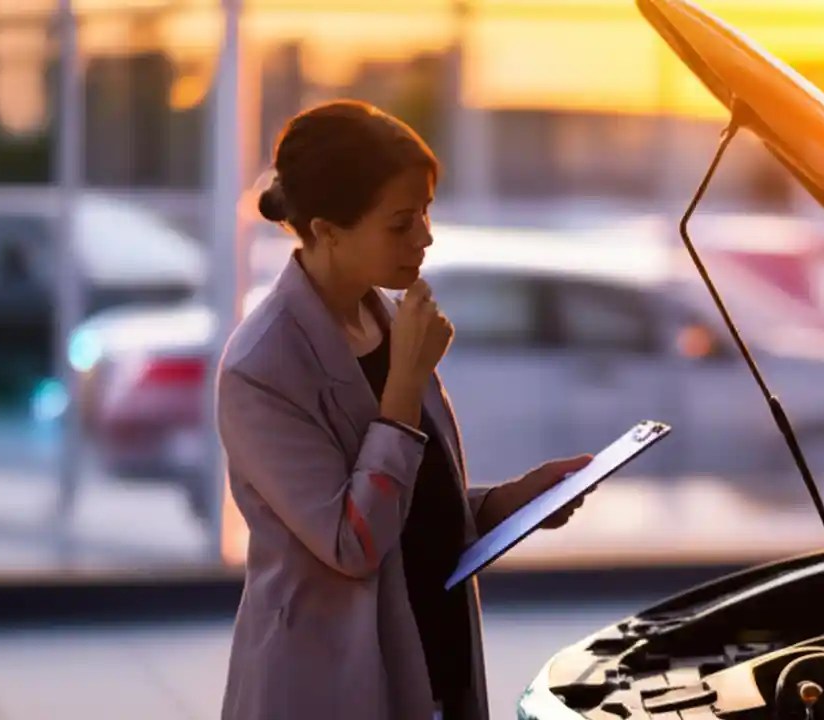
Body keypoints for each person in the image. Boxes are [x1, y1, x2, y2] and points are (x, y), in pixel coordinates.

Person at [215, 99, 592, 720]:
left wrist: (507, 504)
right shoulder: (261, 366)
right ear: (326, 231)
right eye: (400, 223)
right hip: (330, 685)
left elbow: (408, 510)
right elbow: (354, 542)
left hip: (430, 658)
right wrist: (405, 381)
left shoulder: (381, 315)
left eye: (426, 212)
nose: (425, 236)